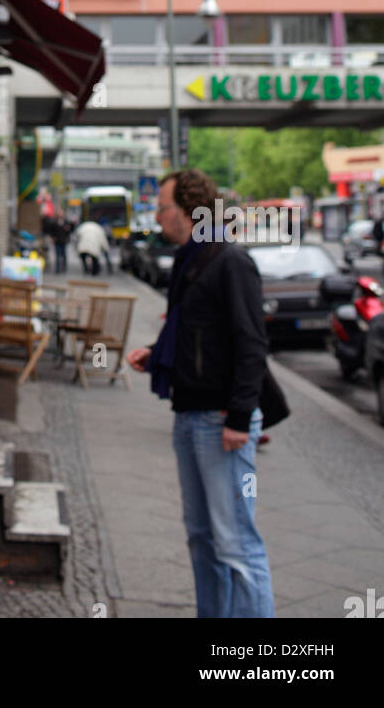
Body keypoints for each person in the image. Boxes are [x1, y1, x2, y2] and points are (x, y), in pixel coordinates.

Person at [126, 168, 274, 619]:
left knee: (235, 543)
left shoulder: (229, 260)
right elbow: (197, 336)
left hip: (220, 419)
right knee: (202, 537)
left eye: (163, 207)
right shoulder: (191, 259)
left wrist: (238, 417)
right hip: (189, 414)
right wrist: (155, 355)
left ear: (189, 211)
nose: (158, 216)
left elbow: (251, 343)